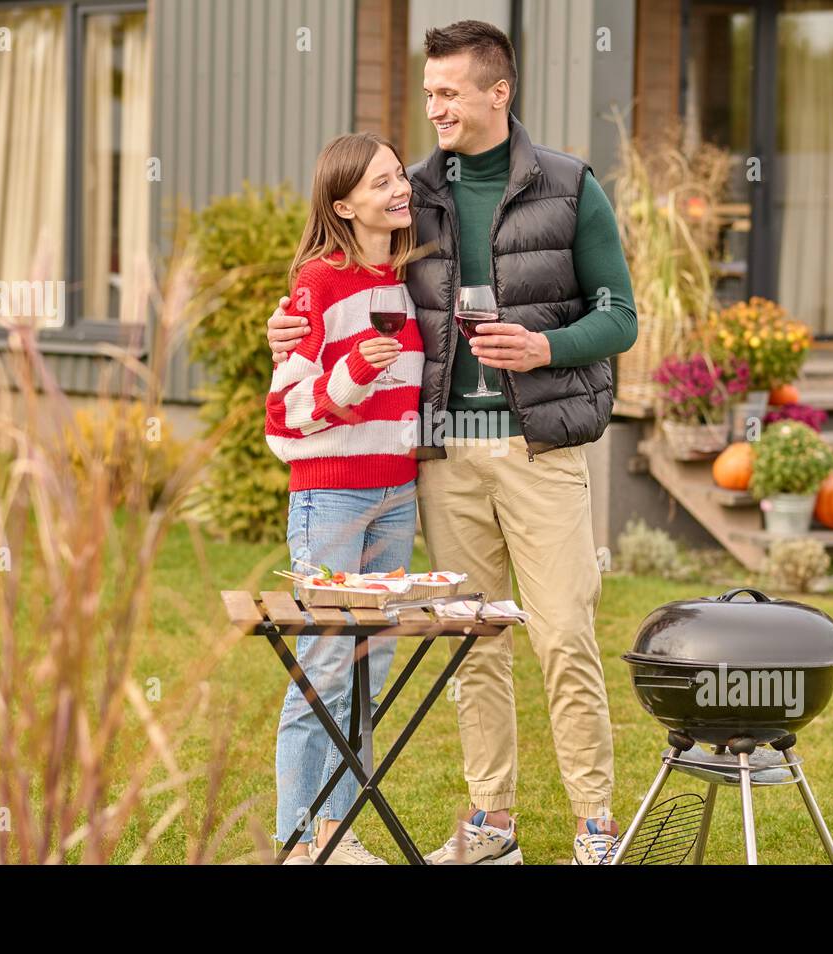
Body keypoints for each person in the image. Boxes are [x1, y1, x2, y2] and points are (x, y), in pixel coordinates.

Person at [267, 21, 638, 865]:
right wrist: (286, 331)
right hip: (437, 458)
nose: (431, 107)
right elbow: (336, 277)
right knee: (472, 641)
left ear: (496, 93)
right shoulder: (412, 194)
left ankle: (596, 827)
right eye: (427, 91)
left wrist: (546, 347)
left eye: (447, 93)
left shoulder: (570, 185)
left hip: (540, 451)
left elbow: (620, 315)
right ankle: (491, 828)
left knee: (565, 636)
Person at [265, 132, 423, 865]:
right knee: (326, 666)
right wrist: (354, 370)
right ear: (342, 204)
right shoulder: (316, 284)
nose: (399, 189)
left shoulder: (402, 279)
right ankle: (298, 841)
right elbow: (285, 414)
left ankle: (338, 833)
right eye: (381, 182)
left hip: (396, 494)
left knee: (370, 674)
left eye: (399, 175)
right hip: (330, 498)